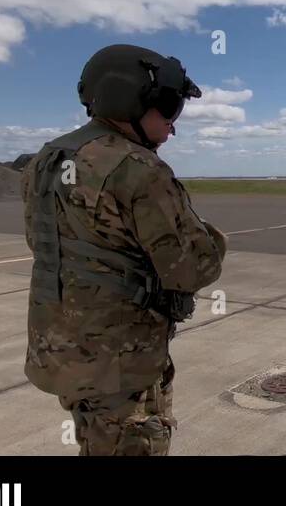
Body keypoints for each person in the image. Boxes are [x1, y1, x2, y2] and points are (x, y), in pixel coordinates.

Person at [21, 44, 228, 455]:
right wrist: (214, 238)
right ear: (130, 98)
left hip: (62, 349)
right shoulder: (137, 168)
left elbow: (47, 245)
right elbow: (193, 268)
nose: (172, 126)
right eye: (168, 109)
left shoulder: (44, 161)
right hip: (120, 362)